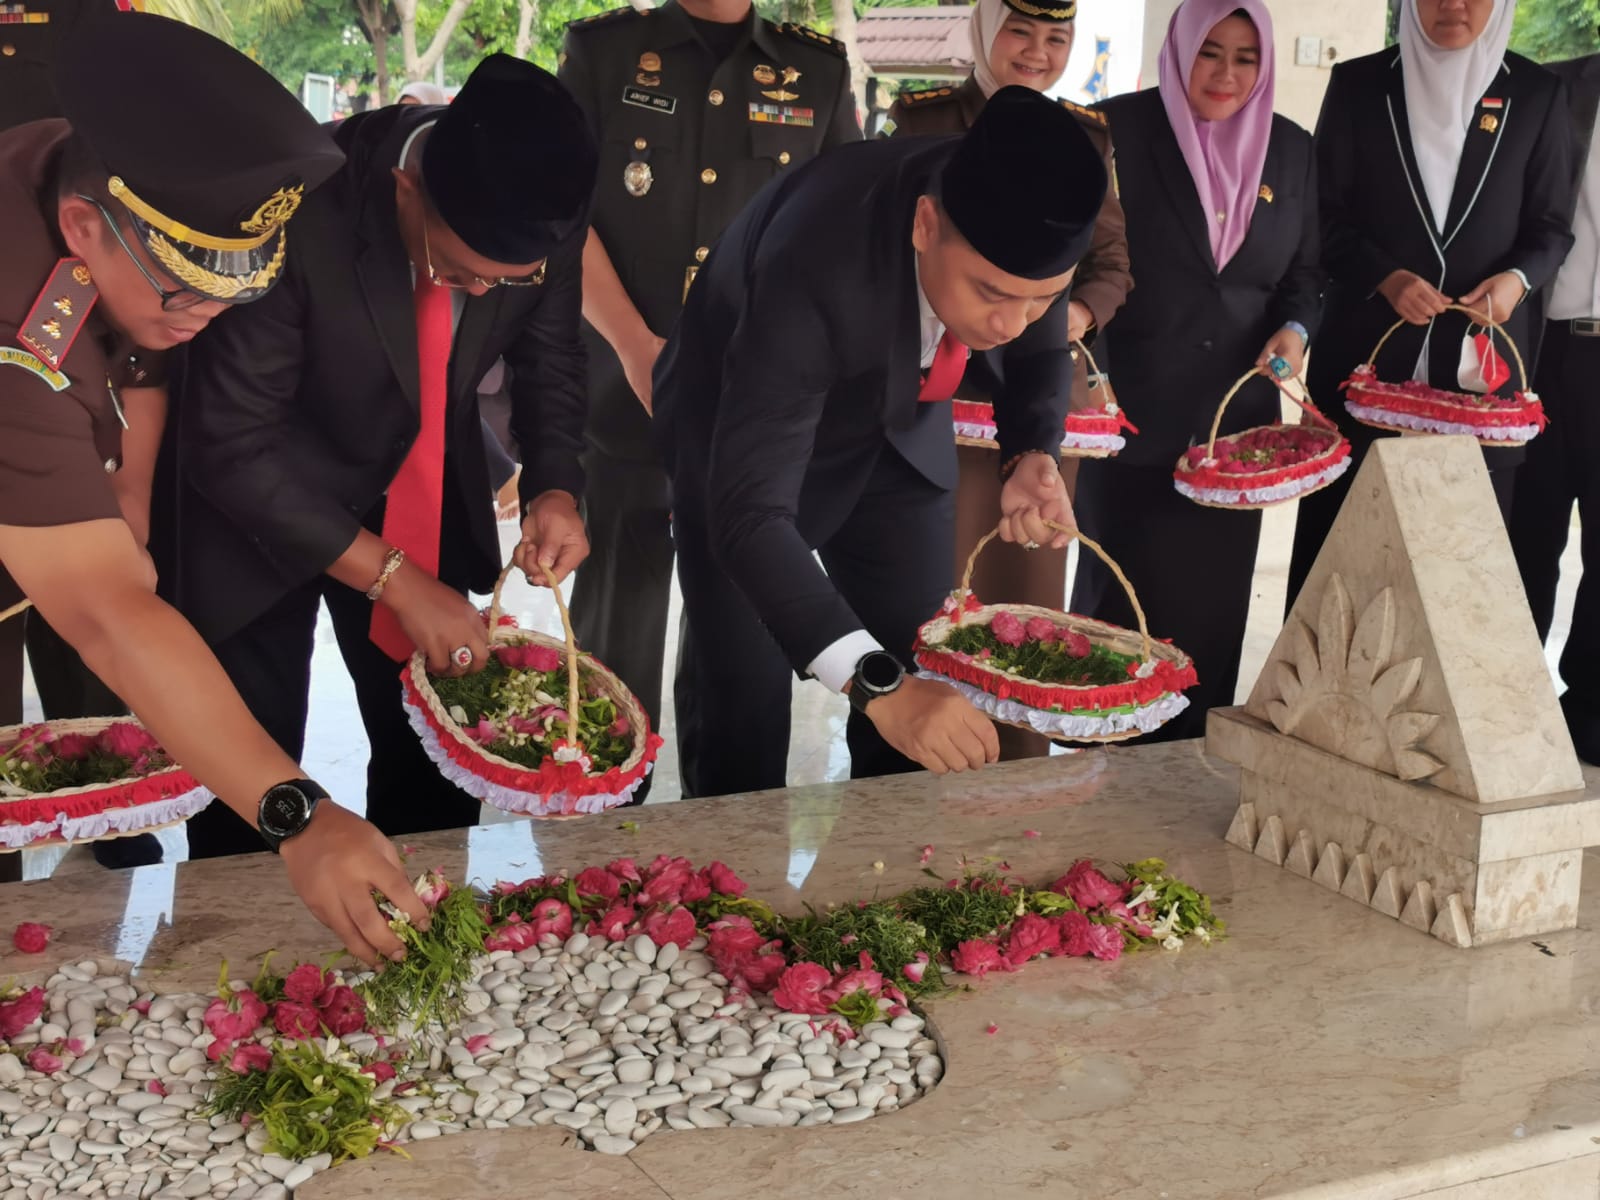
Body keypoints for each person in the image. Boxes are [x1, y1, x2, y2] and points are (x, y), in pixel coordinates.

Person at [0, 12, 431, 963]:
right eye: (185, 290)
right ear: (81, 230)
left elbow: (139, 347)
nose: (205, 316)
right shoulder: (15, 339)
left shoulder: (80, 184)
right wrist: (299, 815)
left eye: (227, 292)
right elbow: (109, 610)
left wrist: (136, 481)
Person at [168, 55, 597, 859]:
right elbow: (231, 443)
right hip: (262, 500)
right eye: (459, 272)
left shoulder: (548, 211)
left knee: (438, 770)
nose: (478, 293)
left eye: (504, 281)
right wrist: (395, 580)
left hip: (422, 485)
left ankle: (417, 944)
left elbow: (553, 359)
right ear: (409, 191)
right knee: (248, 784)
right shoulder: (297, 210)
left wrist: (556, 486)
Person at [656, 86, 1105, 798]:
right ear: (927, 224)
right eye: (991, 294)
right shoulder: (816, 258)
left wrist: (1031, 452)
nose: (1014, 323)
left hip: (897, 434)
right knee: (744, 694)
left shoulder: (1022, 238)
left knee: (924, 662)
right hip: (742, 432)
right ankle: (734, 887)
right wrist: (876, 686)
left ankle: (894, 873)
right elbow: (750, 517)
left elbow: (1039, 344)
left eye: (1041, 297)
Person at [557, 0, 859, 797]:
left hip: (753, 416)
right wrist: (633, 346)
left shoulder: (818, 71)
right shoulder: (606, 52)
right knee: (612, 651)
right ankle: (595, 858)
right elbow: (565, 214)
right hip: (625, 400)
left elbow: (841, 228)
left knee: (744, 666)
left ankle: (734, 869)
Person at [886, 0, 1132, 761]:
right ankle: (915, 755)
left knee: (1023, 603)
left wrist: (1063, 318)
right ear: (986, 31)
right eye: (1020, 31)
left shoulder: (1085, 136)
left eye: (1056, 37)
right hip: (937, 402)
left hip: (1036, 398)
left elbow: (1112, 264)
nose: (1036, 52)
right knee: (930, 590)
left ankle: (1011, 775)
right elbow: (897, 255)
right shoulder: (926, 120)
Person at [1068, 0, 1320, 741]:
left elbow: (1306, 273)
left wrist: (1297, 328)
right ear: (1181, 48)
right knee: (1117, 635)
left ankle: (1185, 795)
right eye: (1212, 51)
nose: (1227, 73)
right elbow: (1086, 266)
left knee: (1208, 626)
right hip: (1129, 423)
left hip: (1230, 438)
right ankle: (1101, 797)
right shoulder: (1114, 131)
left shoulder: (1292, 150)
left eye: (1247, 58)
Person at [1286, 0, 1575, 607]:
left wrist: (1517, 280)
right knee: (1342, 550)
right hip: (1366, 353)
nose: (1453, 5)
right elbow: (1323, 214)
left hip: (1480, 362)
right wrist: (1384, 276)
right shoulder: (1361, 83)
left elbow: (1551, 225)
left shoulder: (1537, 93)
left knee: (1458, 567)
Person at [0, 0, 163, 872]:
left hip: (87, 429)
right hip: (19, 375)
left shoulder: (114, 46)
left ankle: (118, 841)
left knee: (99, 693)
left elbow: (146, 334)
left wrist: (131, 486)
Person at [1508, 49, 1600, 764]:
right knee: (1521, 536)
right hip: (1542, 347)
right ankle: (1504, 707)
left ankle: (1591, 720)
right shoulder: (1551, 86)